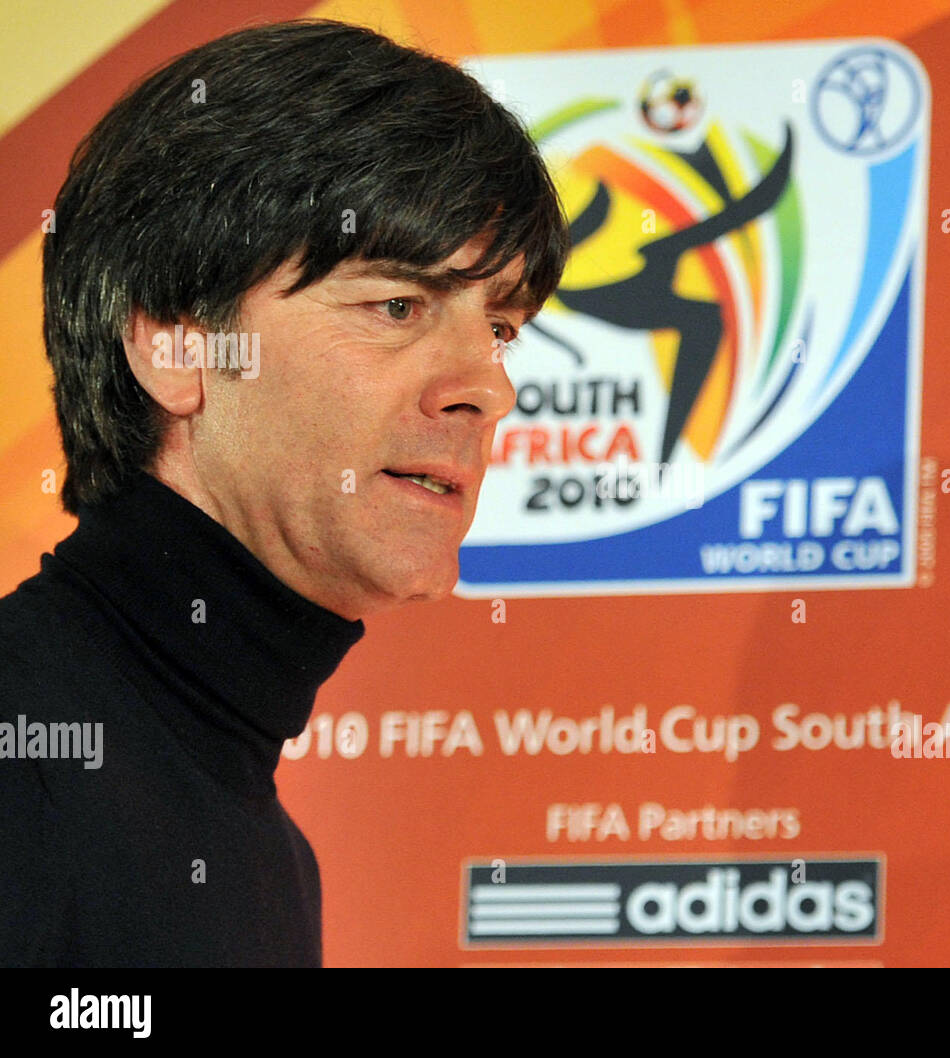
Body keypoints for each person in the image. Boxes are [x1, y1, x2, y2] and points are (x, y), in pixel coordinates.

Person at [0, 18, 569, 967]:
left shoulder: (264, 845)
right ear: (177, 346)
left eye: (502, 328)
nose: (488, 386)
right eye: (398, 306)